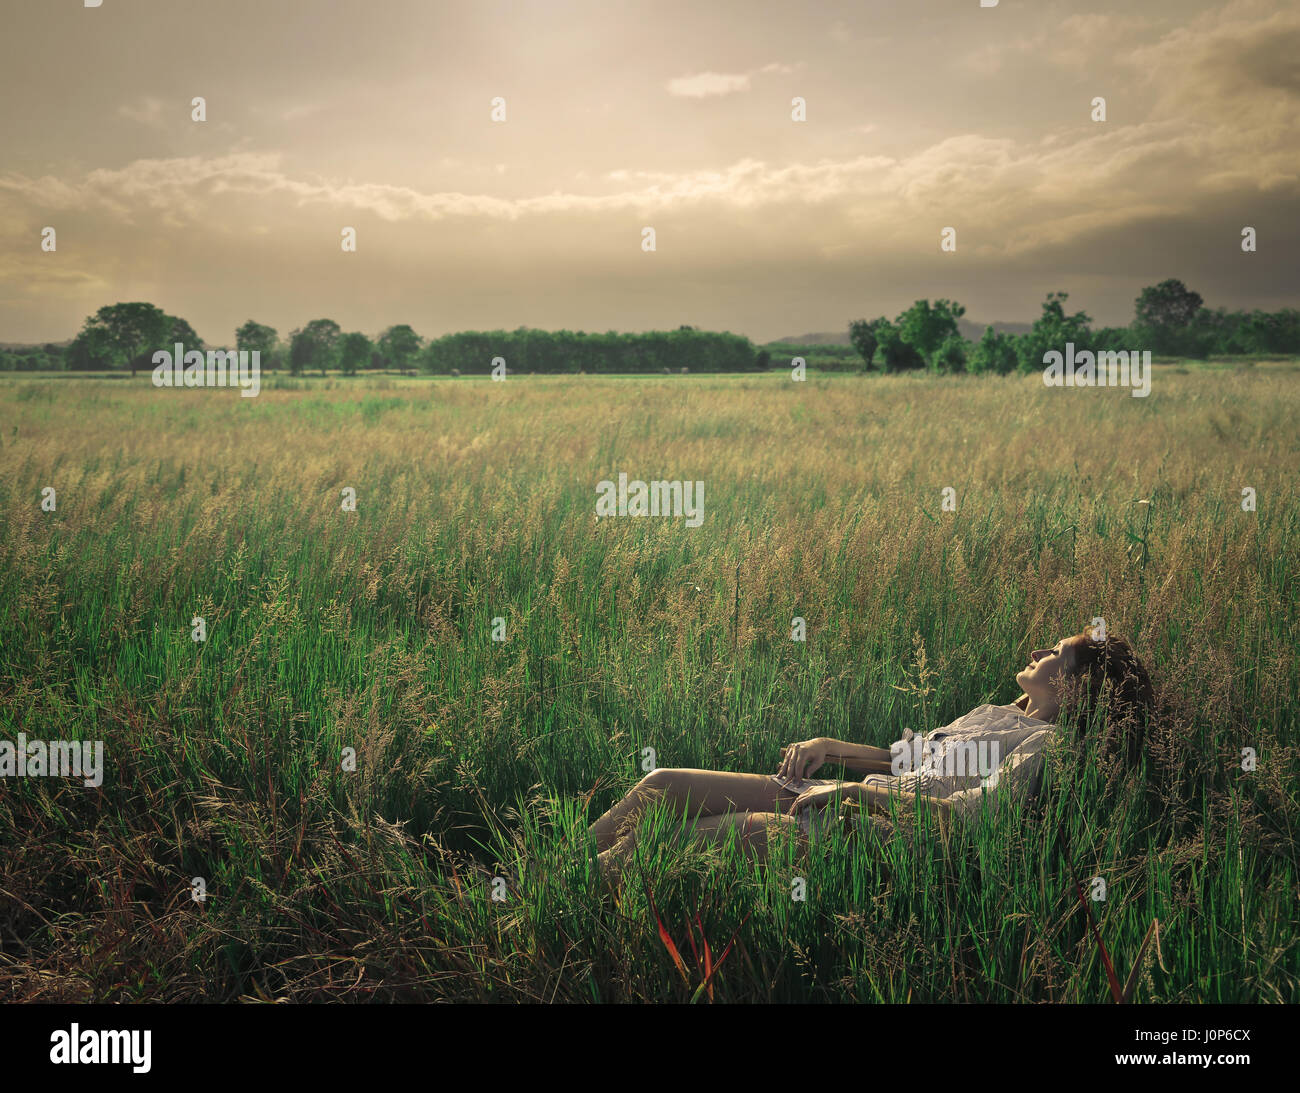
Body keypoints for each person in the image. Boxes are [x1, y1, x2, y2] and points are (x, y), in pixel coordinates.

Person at [589, 626, 1154, 877]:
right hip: (845, 795)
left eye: (1055, 652)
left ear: (1076, 686)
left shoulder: (1044, 750)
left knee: (683, 838)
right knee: (665, 784)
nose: (1038, 650)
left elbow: (966, 823)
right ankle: (547, 874)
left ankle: (548, 904)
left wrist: (854, 790)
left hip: (873, 833)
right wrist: (830, 749)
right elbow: (910, 760)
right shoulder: (995, 714)